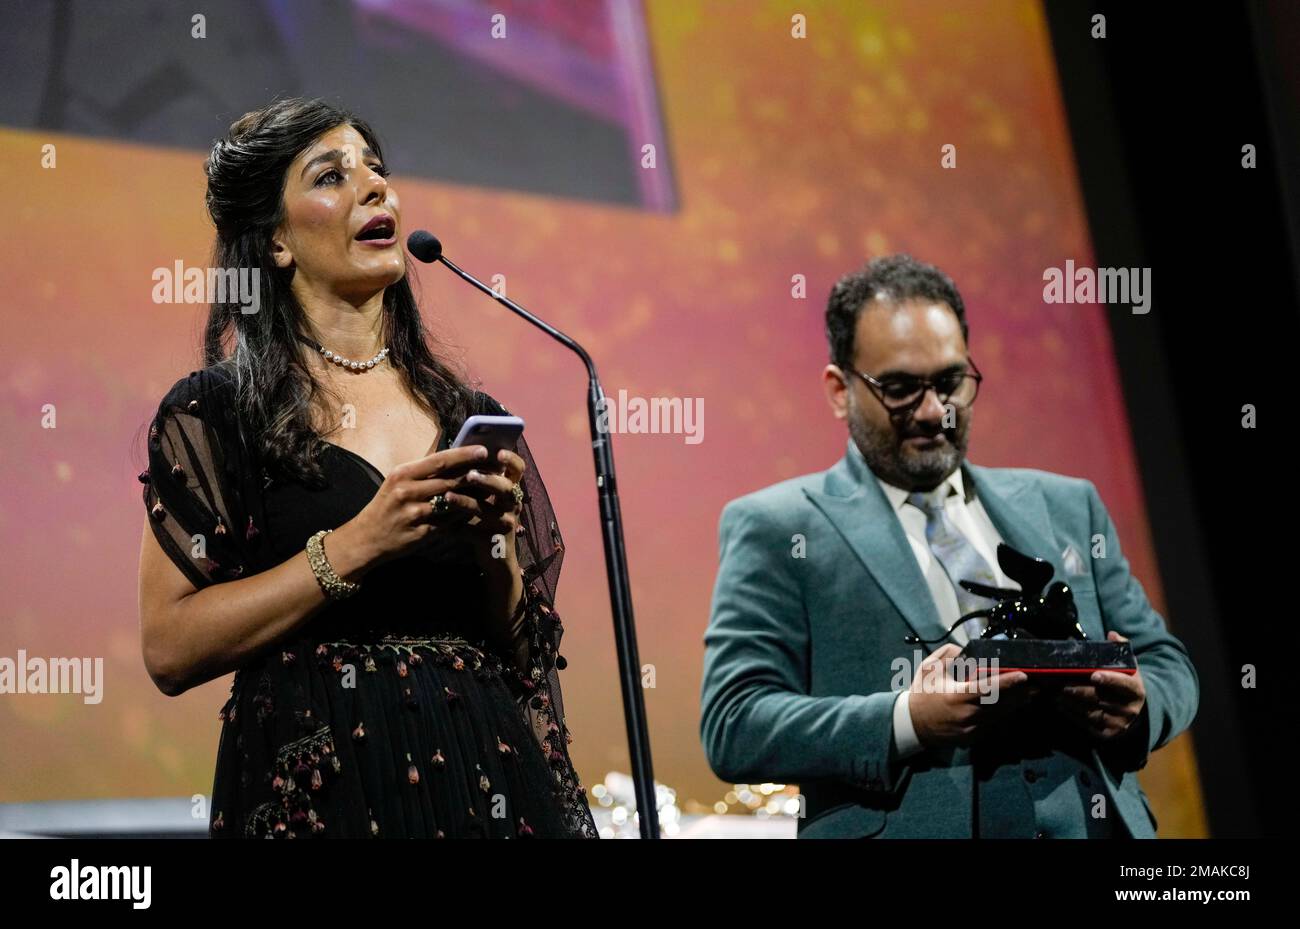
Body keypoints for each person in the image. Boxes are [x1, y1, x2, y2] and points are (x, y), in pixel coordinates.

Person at [137, 97, 597, 839]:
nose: (375, 188)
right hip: (323, 793)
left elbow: (522, 655)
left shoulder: (465, 412)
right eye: (332, 176)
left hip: (485, 782)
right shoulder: (217, 414)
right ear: (277, 241)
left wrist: (493, 551)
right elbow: (169, 647)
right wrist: (354, 545)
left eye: (376, 170)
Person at [700, 254, 1198, 838]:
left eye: (950, 381)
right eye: (902, 388)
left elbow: (1168, 664)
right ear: (839, 390)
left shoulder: (1068, 506)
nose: (935, 412)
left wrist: (1138, 707)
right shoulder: (776, 527)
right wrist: (907, 719)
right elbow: (735, 724)